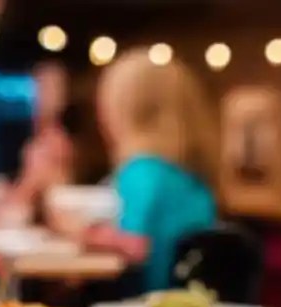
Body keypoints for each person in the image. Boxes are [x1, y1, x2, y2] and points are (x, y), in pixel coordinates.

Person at [84, 49, 220, 293]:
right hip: (188, 304)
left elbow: (135, 246)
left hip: (144, 306)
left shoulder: (140, 172)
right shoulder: (192, 177)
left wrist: (83, 234)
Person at [12, 62, 75, 207]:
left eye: (48, 89)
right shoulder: (40, 136)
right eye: (39, 88)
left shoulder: (59, 141)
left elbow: (50, 192)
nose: (39, 96)